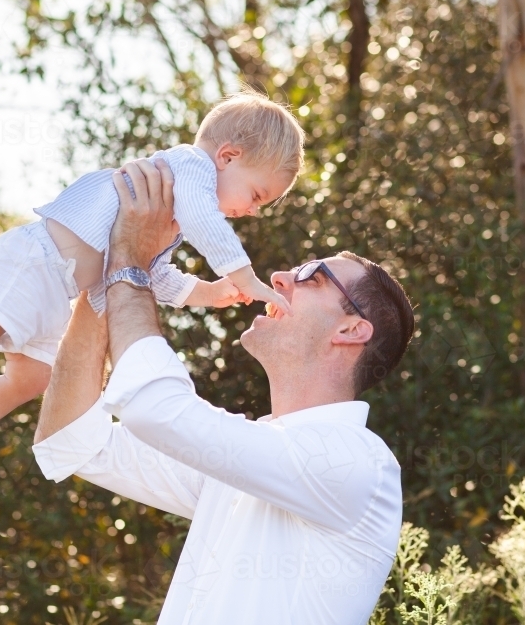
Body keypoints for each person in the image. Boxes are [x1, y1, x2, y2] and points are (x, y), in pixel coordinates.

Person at [0, 90, 303, 499]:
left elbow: (148, 273)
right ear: (228, 156)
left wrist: (210, 292)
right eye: (257, 196)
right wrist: (245, 279)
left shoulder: (169, 212)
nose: (252, 211)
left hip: (56, 288)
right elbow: (205, 219)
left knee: (33, 378)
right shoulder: (187, 169)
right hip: (34, 262)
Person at [33, 158, 414, 624]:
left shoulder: (355, 462)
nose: (279, 278)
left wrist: (132, 259)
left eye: (311, 275)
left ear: (352, 329)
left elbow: (154, 409)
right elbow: (73, 445)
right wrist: (111, 266)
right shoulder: (244, 464)